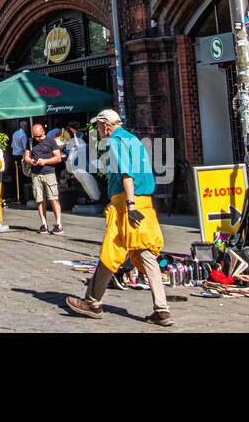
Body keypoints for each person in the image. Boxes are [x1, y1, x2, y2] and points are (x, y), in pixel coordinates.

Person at [65, 109, 172, 327]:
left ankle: (92, 302)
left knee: (110, 252)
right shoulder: (134, 140)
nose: (97, 130)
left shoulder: (114, 142)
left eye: (98, 126)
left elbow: (127, 174)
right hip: (144, 202)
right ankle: (162, 309)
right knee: (146, 252)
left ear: (105, 125)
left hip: (127, 204)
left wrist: (130, 204)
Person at [23, 122, 64, 234]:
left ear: (43, 132)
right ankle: (44, 224)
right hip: (36, 174)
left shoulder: (51, 141)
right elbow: (26, 156)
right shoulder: (30, 142)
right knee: (39, 200)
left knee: (53, 199)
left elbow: (58, 158)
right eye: (36, 136)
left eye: (40, 136)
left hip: (49, 173)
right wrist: (30, 161)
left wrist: (45, 161)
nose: (38, 138)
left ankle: (59, 224)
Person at [10, 120, 29, 203]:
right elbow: (25, 148)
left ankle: (17, 195)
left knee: (16, 176)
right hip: (20, 156)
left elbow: (11, 145)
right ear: (25, 127)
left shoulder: (15, 133)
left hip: (14, 156)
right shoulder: (23, 135)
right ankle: (22, 196)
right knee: (22, 176)